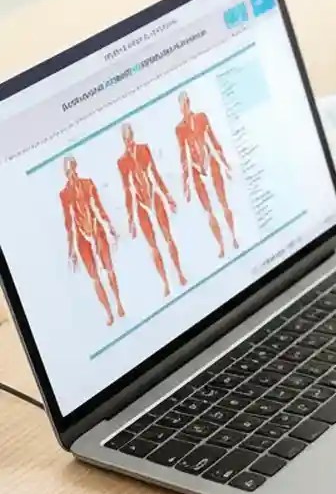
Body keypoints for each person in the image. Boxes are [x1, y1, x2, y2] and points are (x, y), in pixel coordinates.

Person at [119, 122, 187, 297]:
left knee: (168, 237)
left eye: (129, 137)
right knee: (153, 246)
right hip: (141, 204)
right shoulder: (122, 162)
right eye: (125, 139)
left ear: (133, 135)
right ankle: (165, 282)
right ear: (123, 140)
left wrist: (168, 196)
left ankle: (179, 272)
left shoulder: (143, 149)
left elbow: (155, 174)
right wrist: (130, 218)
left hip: (154, 196)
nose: (128, 141)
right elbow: (127, 190)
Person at [60, 157, 124, 326]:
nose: (72, 173)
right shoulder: (65, 194)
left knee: (109, 268)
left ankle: (118, 302)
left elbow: (99, 207)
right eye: (68, 171)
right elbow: (69, 223)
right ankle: (109, 312)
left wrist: (110, 226)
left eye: (73, 169)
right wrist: (71, 251)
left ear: (76, 167)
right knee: (94, 276)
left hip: (97, 230)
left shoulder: (88, 183)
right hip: (82, 238)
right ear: (65, 173)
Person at [176, 91, 238, 257]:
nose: (184, 107)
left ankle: (233, 236)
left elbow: (214, 141)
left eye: (186, 103)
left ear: (189, 102)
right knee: (209, 211)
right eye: (182, 104)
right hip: (197, 171)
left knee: (223, 202)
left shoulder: (201, 117)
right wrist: (186, 184)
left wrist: (225, 165)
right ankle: (221, 245)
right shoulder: (180, 129)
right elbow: (183, 156)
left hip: (211, 164)